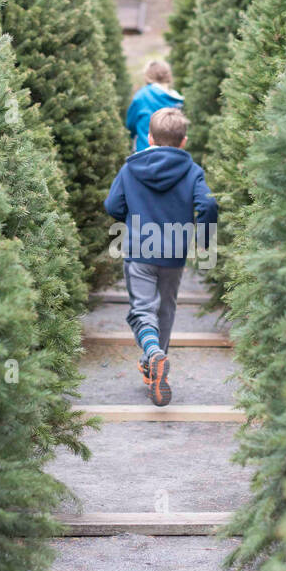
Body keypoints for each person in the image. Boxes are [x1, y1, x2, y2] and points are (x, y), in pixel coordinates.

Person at [104, 108, 218, 406]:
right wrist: (204, 239)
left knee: (142, 309)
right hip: (173, 253)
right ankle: (156, 365)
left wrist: (128, 218)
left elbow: (112, 204)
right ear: (184, 142)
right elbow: (208, 205)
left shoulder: (131, 168)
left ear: (150, 138)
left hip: (140, 249)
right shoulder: (193, 171)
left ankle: (152, 355)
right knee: (165, 308)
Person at [125, 60, 184, 153]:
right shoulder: (177, 99)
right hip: (173, 153)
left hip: (145, 152)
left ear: (148, 76)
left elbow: (130, 124)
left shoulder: (142, 96)